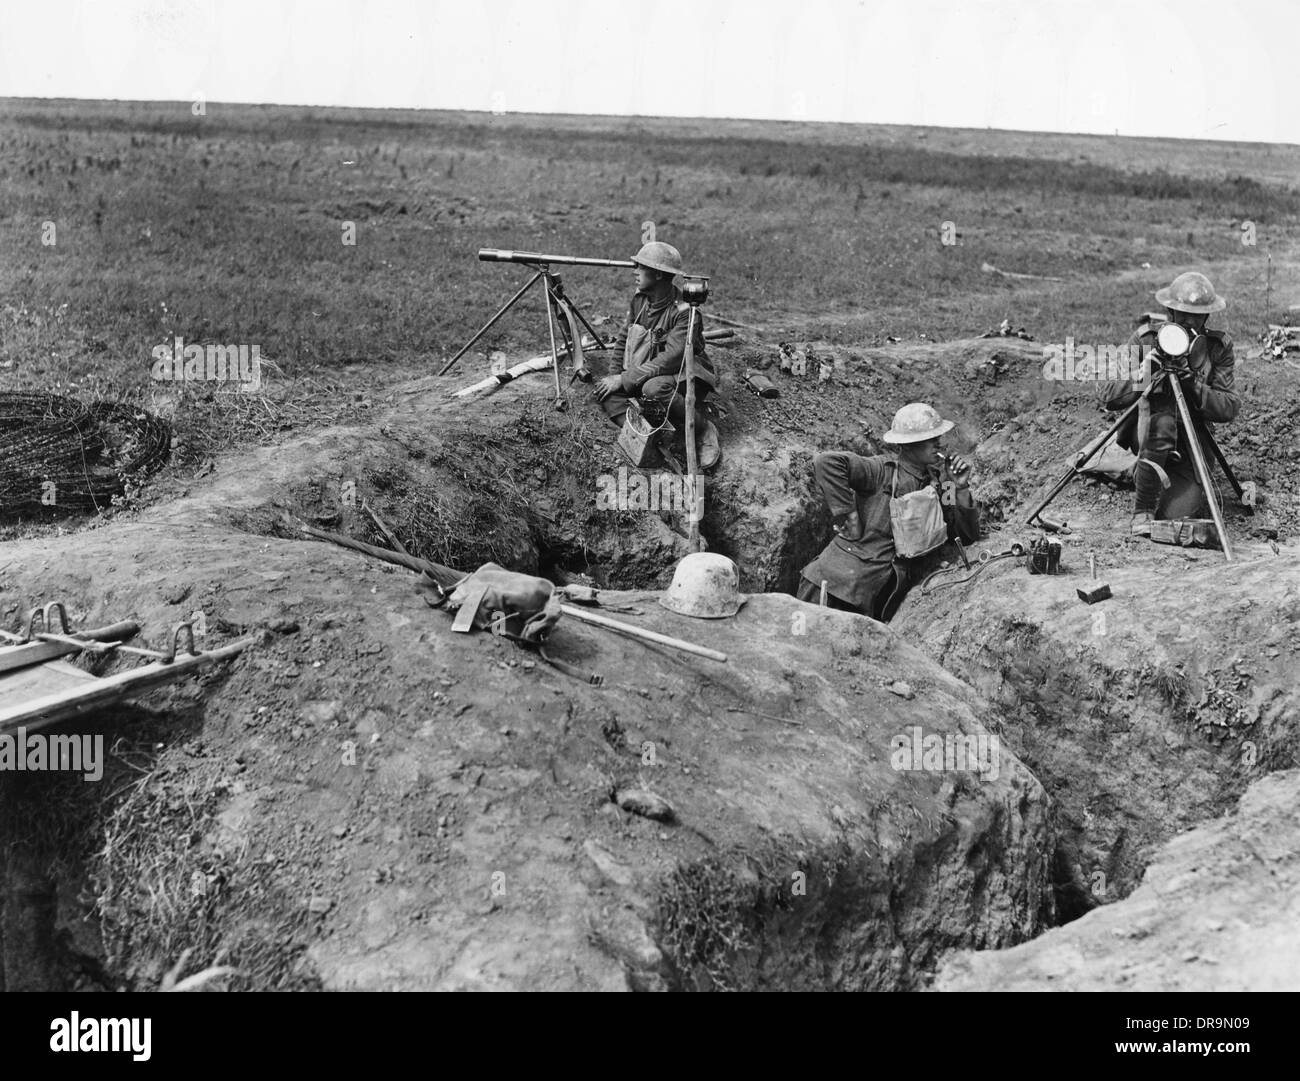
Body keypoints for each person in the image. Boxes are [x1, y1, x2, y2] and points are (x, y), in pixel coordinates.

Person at [797, 403, 980, 621]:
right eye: (931, 438)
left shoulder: (940, 483)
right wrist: (849, 515)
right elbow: (827, 462)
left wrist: (960, 486)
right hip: (832, 586)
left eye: (937, 437)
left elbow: (964, 537)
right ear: (909, 444)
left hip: (872, 598)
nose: (938, 443)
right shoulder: (879, 470)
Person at [1100, 271, 1241, 535]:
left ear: (1206, 317)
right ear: (1169, 312)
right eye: (1182, 314)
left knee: (1172, 517)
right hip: (1148, 431)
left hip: (1191, 442)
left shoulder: (1217, 348)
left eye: (1196, 316)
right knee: (1163, 423)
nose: (1189, 322)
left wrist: (1195, 386)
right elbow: (1108, 395)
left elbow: (1229, 406)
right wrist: (1143, 375)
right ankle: (1141, 508)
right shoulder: (1145, 340)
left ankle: (1151, 478)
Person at [592, 241, 721, 469]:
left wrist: (624, 379)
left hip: (684, 374)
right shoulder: (639, 301)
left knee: (653, 389)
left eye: (641, 268)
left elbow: (672, 358)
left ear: (659, 274)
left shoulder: (684, 312)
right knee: (606, 393)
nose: (635, 272)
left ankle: (703, 428)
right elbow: (624, 339)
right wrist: (615, 378)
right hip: (650, 371)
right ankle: (644, 435)